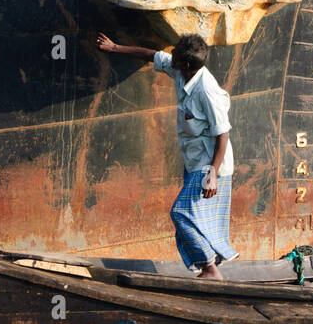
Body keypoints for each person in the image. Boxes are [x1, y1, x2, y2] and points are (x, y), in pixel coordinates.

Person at [94, 31, 237, 278]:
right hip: (193, 160)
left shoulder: (206, 90)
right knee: (195, 216)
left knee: (181, 212)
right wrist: (115, 47)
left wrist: (212, 173)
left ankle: (210, 268)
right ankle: (211, 265)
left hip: (210, 162)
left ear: (188, 65)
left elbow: (222, 133)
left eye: (176, 57)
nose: (171, 58)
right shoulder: (180, 70)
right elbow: (151, 55)